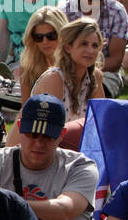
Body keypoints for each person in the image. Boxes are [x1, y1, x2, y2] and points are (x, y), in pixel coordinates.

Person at [25, 20, 105, 150]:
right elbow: (44, 134)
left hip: (81, 150)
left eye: (95, 45)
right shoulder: (54, 79)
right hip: (46, 150)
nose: (90, 50)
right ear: (68, 47)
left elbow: (100, 122)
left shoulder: (95, 77)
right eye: (84, 44)